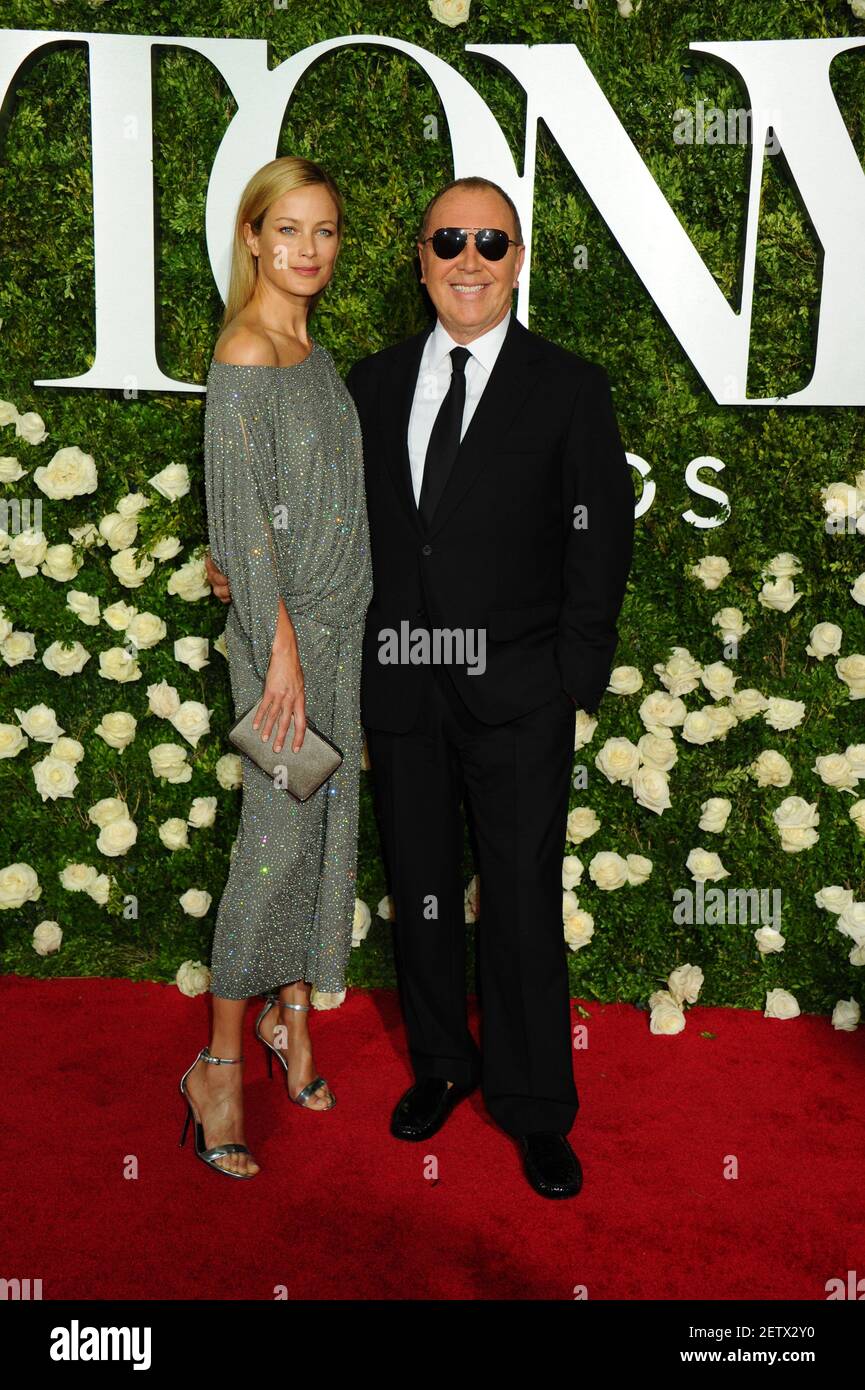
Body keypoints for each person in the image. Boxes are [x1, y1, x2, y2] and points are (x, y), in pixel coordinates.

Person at [208, 174, 634, 1198]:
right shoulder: (372, 377)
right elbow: (316, 509)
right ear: (421, 259)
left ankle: (535, 1106)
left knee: (522, 899)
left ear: (519, 259)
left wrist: (569, 679)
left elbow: (602, 539)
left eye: (492, 241)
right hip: (396, 685)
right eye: (449, 239)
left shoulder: (568, 386)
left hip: (517, 693)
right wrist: (237, 566)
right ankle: (443, 1064)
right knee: (425, 893)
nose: (470, 260)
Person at [181, 156, 373, 1179]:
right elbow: (247, 529)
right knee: (271, 848)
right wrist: (279, 653)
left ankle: (289, 1019)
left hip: (337, 629)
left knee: (318, 836)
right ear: (251, 236)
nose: (307, 249)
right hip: (284, 643)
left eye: (325, 231)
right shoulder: (246, 354)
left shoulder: (309, 341)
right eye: (287, 229)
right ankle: (216, 1064)